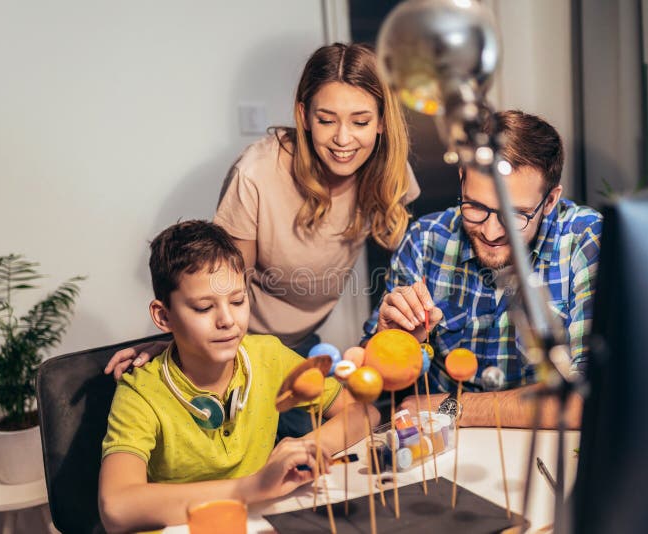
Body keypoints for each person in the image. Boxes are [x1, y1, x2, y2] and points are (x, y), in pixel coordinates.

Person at [105, 42, 418, 437]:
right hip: (241, 349)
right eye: (327, 120)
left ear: (381, 122)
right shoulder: (257, 174)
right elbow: (220, 288)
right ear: (303, 115)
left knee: (338, 446)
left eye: (360, 121)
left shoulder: (388, 170)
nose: (343, 139)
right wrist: (179, 342)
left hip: (302, 346)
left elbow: (413, 258)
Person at [99, 220, 377, 533]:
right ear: (164, 316)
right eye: (204, 308)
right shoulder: (141, 391)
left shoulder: (269, 355)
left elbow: (363, 411)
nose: (228, 320)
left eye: (237, 300)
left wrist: (306, 446)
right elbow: (116, 506)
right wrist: (251, 486)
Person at [361, 110, 603, 430]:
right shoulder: (425, 239)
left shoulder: (584, 241)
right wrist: (390, 340)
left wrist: (453, 407)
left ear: (549, 201)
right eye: (475, 206)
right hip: (443, 456)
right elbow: (369, 383)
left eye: (516, 215)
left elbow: (589, 400)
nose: (490, 232)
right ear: (462, 178)